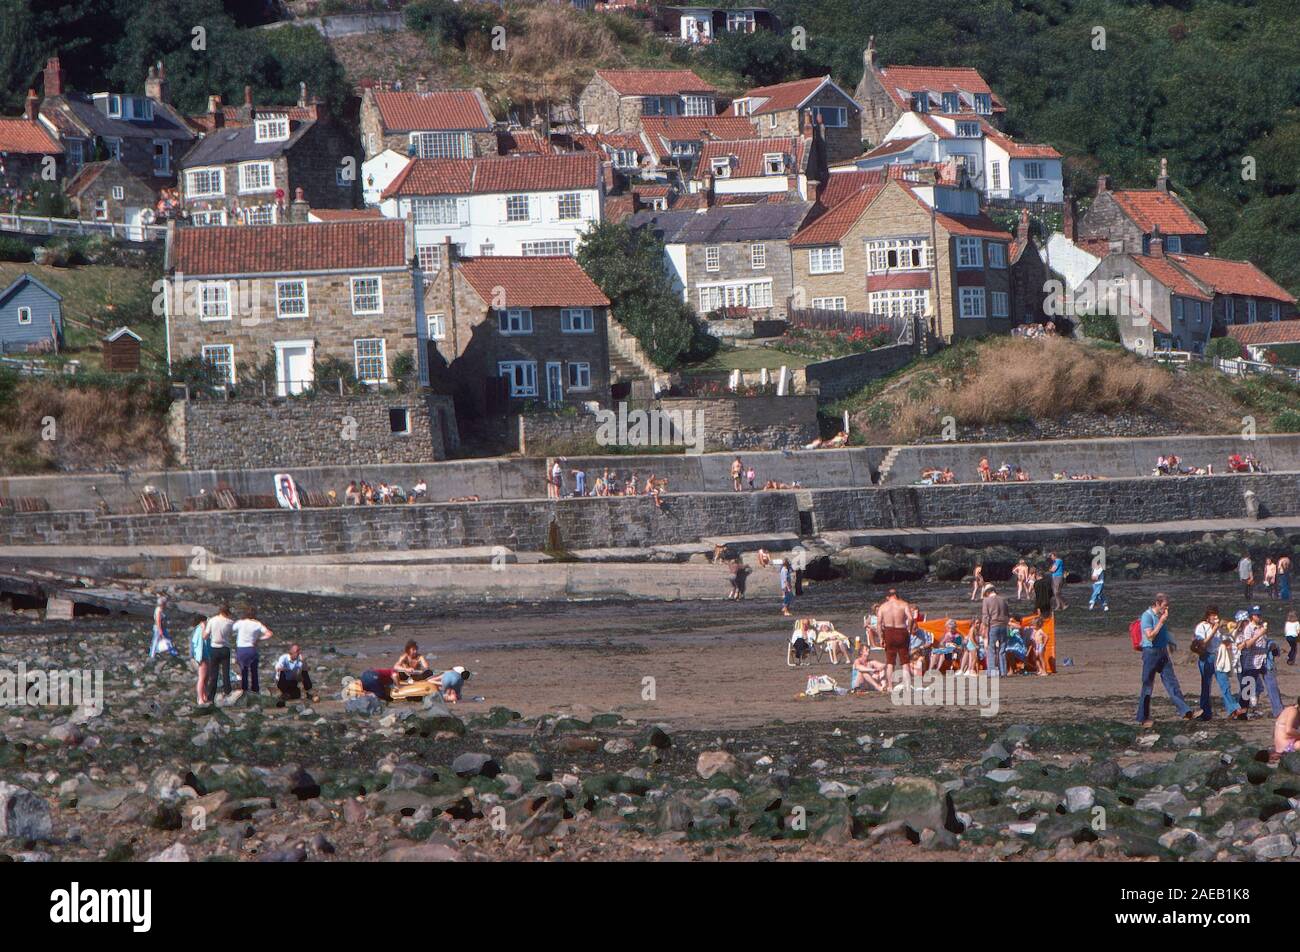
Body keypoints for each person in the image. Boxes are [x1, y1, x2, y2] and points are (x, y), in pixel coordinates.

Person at [1134, 593, 1194, 727]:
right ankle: (1143, 718)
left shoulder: (1161, 616)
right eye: (1165, 606)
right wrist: (1161, 622)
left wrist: (1171, 643)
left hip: (1163, 653)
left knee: (1172, 683)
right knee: (1147, 686)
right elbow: (1150, 636)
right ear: (1157, 603)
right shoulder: (1147, 616)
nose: (1166, 609)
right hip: (1150, 653)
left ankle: (1185, 711)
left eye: (1167, 606)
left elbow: (1163, 633)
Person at [1191, 605, 1244, 721]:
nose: (1215, 617)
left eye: (1216, 615)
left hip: (1218, 658)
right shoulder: (1202, 627)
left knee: (1224, 684)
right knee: (1206, 686)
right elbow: (1202, 644)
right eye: (1213, 615)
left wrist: (1227, 640)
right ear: (1208, 616)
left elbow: (1225, 638)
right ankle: (1205, 712)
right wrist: (1213, 630)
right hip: (1206, 657)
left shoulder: (1218, 627)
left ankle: (1233, 709)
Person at [1239, 606, 1282, 718]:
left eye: (1260, 615)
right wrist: (1259, 634)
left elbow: (1264, 642)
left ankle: (1278, 711)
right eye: (1257, 615)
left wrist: (1271, 645)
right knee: (1248, 687)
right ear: (1252, 616)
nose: (1259, 617)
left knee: (1272, 685)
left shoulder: (1261, 627)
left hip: (1264, 661)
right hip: (1252, 662)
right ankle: (1242, 711)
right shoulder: (1248, 628)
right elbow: (1248, 645)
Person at [877, 589, 913, 688]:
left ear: (887, 597)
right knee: (905, 661)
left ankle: (890, 686)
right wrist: (909, 629)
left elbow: (879, 624)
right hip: (901, 631)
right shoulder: (904, 604)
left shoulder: (883, 607)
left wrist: (881, 638)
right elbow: (910, 618)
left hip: (889, 632)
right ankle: (907, 686)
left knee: (890, 662)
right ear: (897, 595)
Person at [232, 606, 273, 693]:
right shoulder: (257, 624)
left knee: (244, 670)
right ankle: (255, 690)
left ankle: (244, 690)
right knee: (254, 671)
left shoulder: (240, 623)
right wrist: (259, 639)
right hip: (252, 648)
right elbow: (269, 633)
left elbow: (231, 629)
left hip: (241, 649)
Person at [205, 604, 235, 698]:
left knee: (213, 674)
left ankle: (211, 695)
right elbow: (231, 634)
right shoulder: (230, 622)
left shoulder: (212, 620)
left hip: (214, 648)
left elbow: (205, 635)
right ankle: (227, 692)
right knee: (226, 672)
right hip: (225, 648)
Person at [980, 583, 1010, 676]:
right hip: (1004, 626)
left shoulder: (986, 600)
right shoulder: (1003, 600)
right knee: (1002, 649)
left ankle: (992, 672)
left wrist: (984, 628)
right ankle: (1003, 671)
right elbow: (1007, 614)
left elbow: (985, 616)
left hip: (993, 625)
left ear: (988, 592)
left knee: (991, 649)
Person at [189, 614, 210, 705]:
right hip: (202, 657)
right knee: (202, 677)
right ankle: (200, 698)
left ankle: (204, 696)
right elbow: (199, 644)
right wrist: (198, 657)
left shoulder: (201, 629)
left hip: (207, 656)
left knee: (206, 678)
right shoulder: (199, 629)